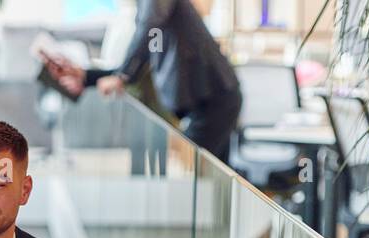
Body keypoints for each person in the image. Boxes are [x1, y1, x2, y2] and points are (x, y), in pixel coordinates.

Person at [43, 0, 243, 164]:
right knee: (208, 180)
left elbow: (149, 27)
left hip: (215, 99)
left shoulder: (153, 17)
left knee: (195, 172)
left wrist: (122, 76)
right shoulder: (154, 28)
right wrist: (87, 77)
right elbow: (148, 54)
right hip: (208, 100)